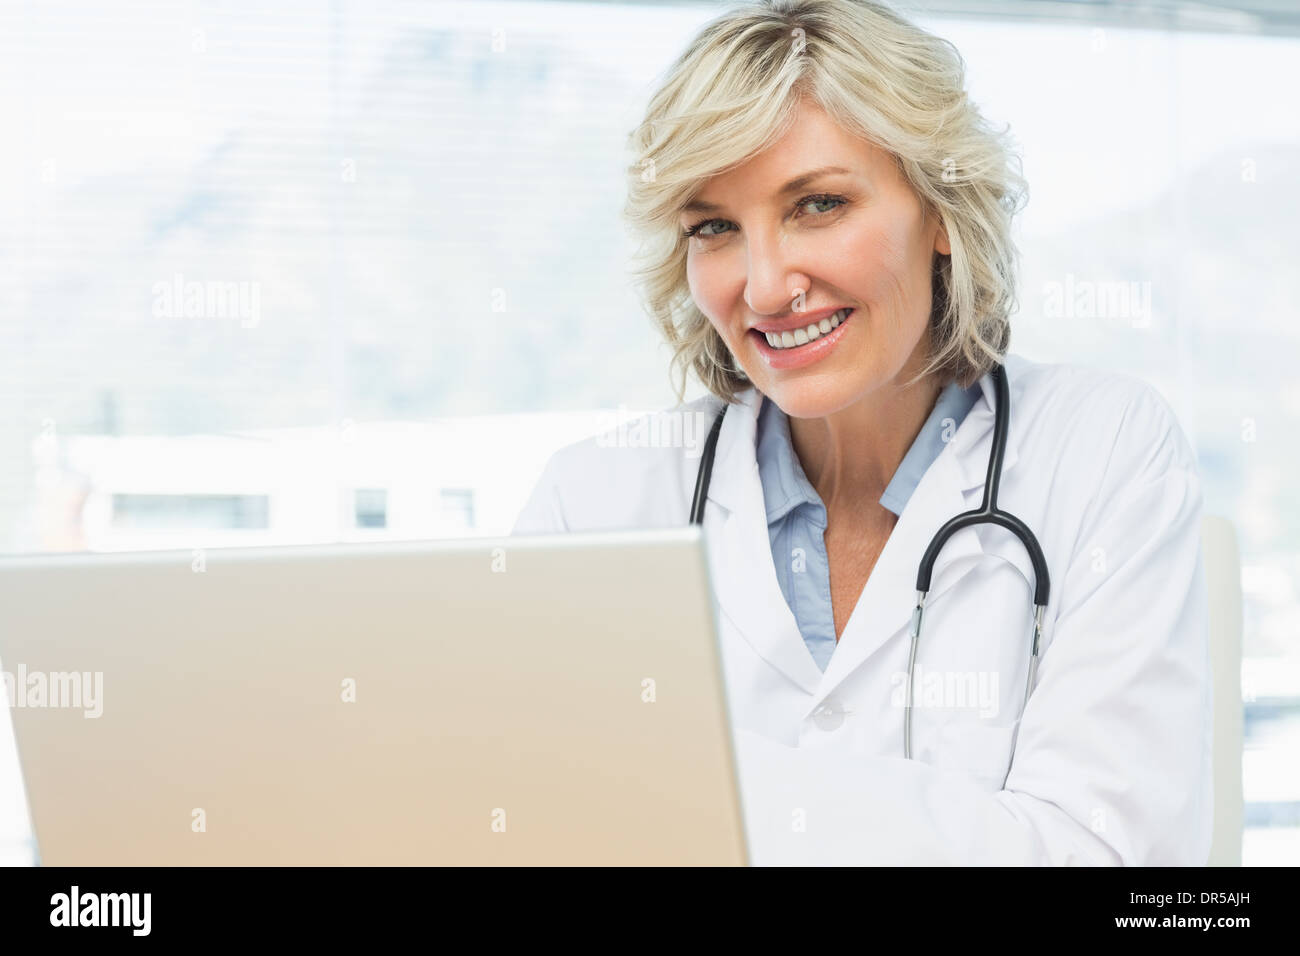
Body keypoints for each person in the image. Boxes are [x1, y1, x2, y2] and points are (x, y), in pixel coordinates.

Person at [513, 0, 1212, 865]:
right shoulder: (596, 501)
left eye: (817, 204)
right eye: (715, 227)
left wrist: (668, 783)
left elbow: (1119, 867)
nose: (766, 287)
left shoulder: (1103, 450)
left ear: (942, 211)